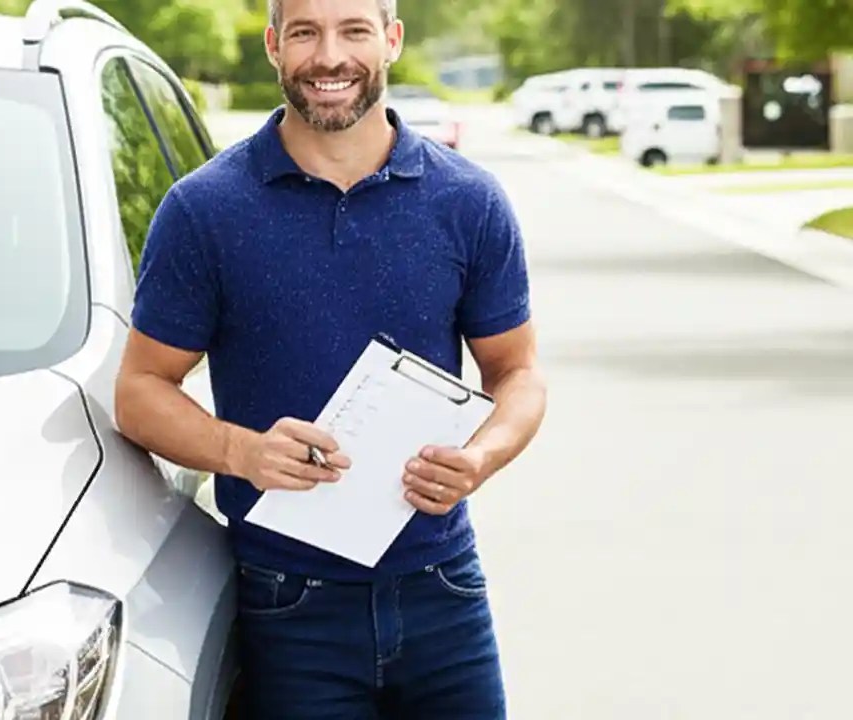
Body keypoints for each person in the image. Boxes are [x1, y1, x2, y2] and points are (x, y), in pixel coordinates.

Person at [114, 0, 547, 716]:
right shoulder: (205, 211)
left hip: (443, 589)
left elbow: (519, 373)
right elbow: (141, 390)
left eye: (353, 31)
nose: (329, 58)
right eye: (306, 33)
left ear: (392, 41)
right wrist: (242, 451)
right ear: (274, 46)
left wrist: (482, 457)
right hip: (288, 606)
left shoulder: (468, 200)